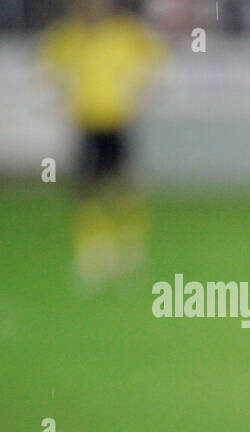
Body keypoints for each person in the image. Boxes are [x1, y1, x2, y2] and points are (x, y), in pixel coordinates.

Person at [40, 0, 165, 285]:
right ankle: (94, 251)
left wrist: (138, 90)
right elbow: (50, 67)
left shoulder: (124, 34)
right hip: (86, 121)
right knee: (86, 187)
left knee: (124, 185)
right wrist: (63, 92)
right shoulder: (69, 36)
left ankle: (130, 249)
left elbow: (153, 62)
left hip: (116, 120)